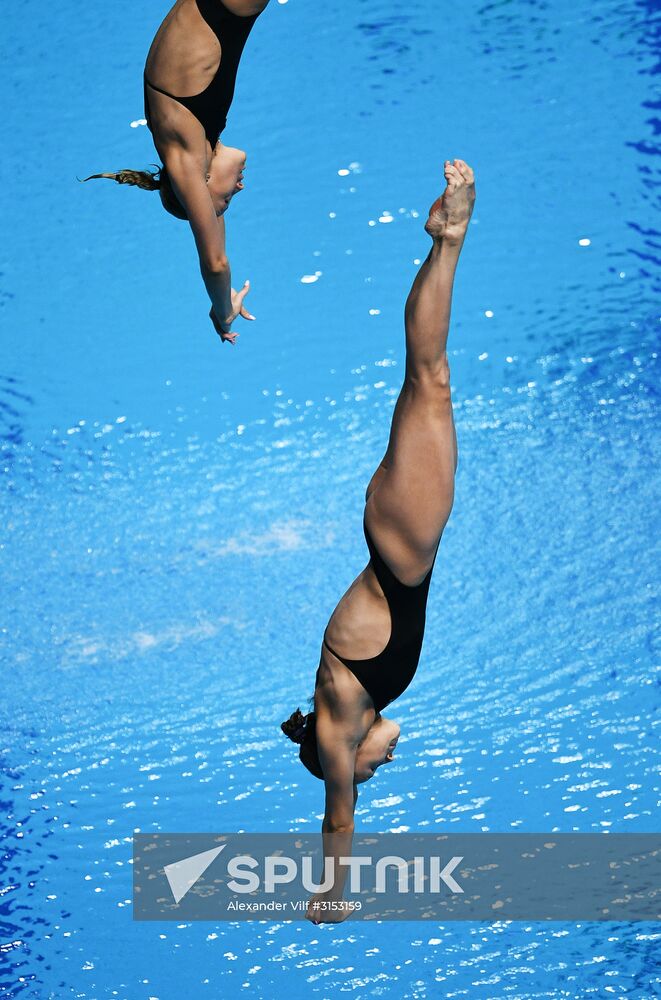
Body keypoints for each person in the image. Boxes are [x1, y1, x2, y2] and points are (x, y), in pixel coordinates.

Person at [281, 159, 476, 924]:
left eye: (366, 774)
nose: (377, 766)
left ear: (339, 761)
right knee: (428, 382)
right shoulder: (367, 705)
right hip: (403, 542)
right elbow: (389, 733)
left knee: (427, 379)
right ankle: (446, 243)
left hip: (401, 543)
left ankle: (448, 238)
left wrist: (332, 891)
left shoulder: (337, 726)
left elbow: (336, 820)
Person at [83, 0, 270, 343]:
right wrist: (223, 295)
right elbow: (213, 215)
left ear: (204, 183)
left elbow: (215, 261)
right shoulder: (197, 139)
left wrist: (224, 312)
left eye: (228, 197)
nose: (240, 188)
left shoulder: (184, 155)